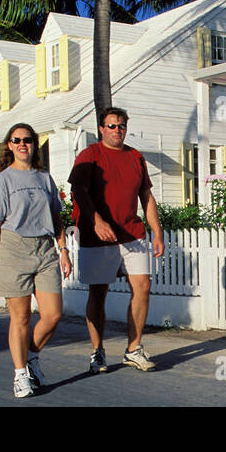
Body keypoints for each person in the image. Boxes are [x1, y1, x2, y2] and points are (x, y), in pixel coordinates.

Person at [69, 106, 165, 374]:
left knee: (143, 286)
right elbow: (79, 192)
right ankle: (97, 351)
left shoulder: (136, 157)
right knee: (98, 293)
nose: (117, 130)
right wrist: (97, 221)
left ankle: (133, 349)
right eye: (111, 126)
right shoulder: (90, 155)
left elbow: (146, 197)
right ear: (101, 129)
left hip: (132, 233)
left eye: (121, 125)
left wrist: (156, 231)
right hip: (98, 235)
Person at [0, 123, 70, 398]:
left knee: (53, 315)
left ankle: (31, 357)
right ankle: (20, 375)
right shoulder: (4, 180)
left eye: (28, 140)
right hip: (13, 249)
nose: (23, 144)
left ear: (34, 145)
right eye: (16, 140)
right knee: (20, 317)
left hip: (45, 249)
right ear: (9, 145)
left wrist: (63, 249)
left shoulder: (45, 179)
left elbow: (56, 217)